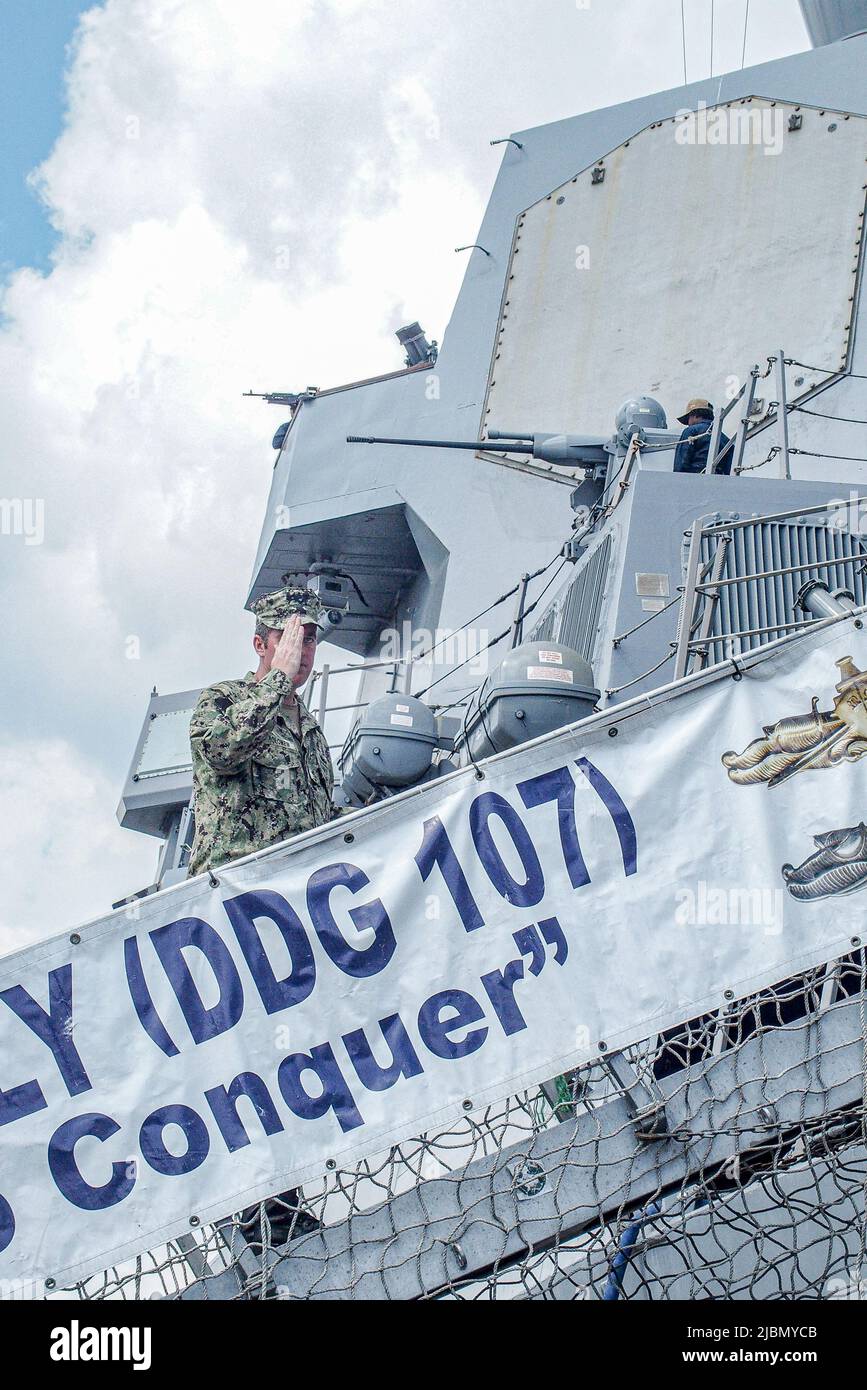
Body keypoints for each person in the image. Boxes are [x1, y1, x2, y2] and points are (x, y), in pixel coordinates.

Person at [188, 583, 338, 1248]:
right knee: (240, 1061)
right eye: (290, 638)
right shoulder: (222, 702)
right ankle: (247, 1208)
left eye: (309, 640)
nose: (302, 653)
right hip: (232, 916)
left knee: (290, 1059)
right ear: (260, 643)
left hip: (293, 921)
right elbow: (222, 752)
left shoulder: (312, 731)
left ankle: (281, 1198)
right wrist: (273, 684)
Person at [673, 398, 732, 475]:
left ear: (694, 415)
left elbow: (681, 465)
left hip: (693, 480)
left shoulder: (690, 431)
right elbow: (729, 469)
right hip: (718, 482)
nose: (688, 423)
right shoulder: (725, 439)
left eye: (688, 418)